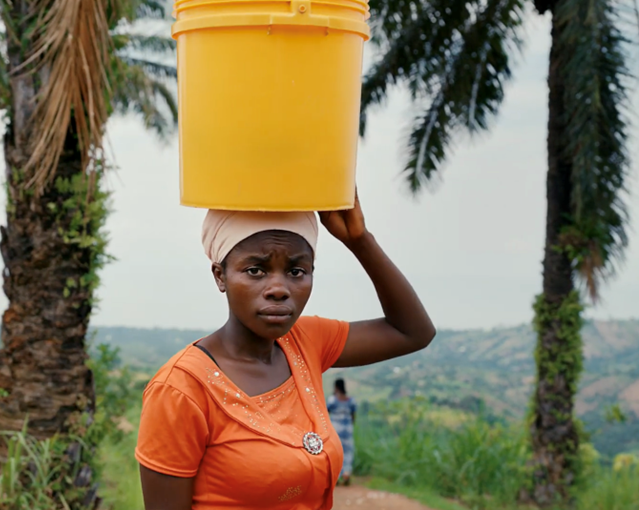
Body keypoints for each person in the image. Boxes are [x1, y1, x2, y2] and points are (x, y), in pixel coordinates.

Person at [136, 192, 436, 510]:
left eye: (296, 272)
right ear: (220, 275)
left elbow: (413, 332)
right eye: (255, 270)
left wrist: (359, 240)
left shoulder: (305, 341)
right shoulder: (180, 391)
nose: (279, 289)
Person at [327, 378, 357, 486]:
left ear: (336, 387)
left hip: (335, 428)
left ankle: (337, 475)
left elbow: (326, 413)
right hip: (348, 428)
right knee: (348, 451)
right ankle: (347, 473)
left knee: (335, 451)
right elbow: (353, 416)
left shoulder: (332, 400)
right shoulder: (351, 401)